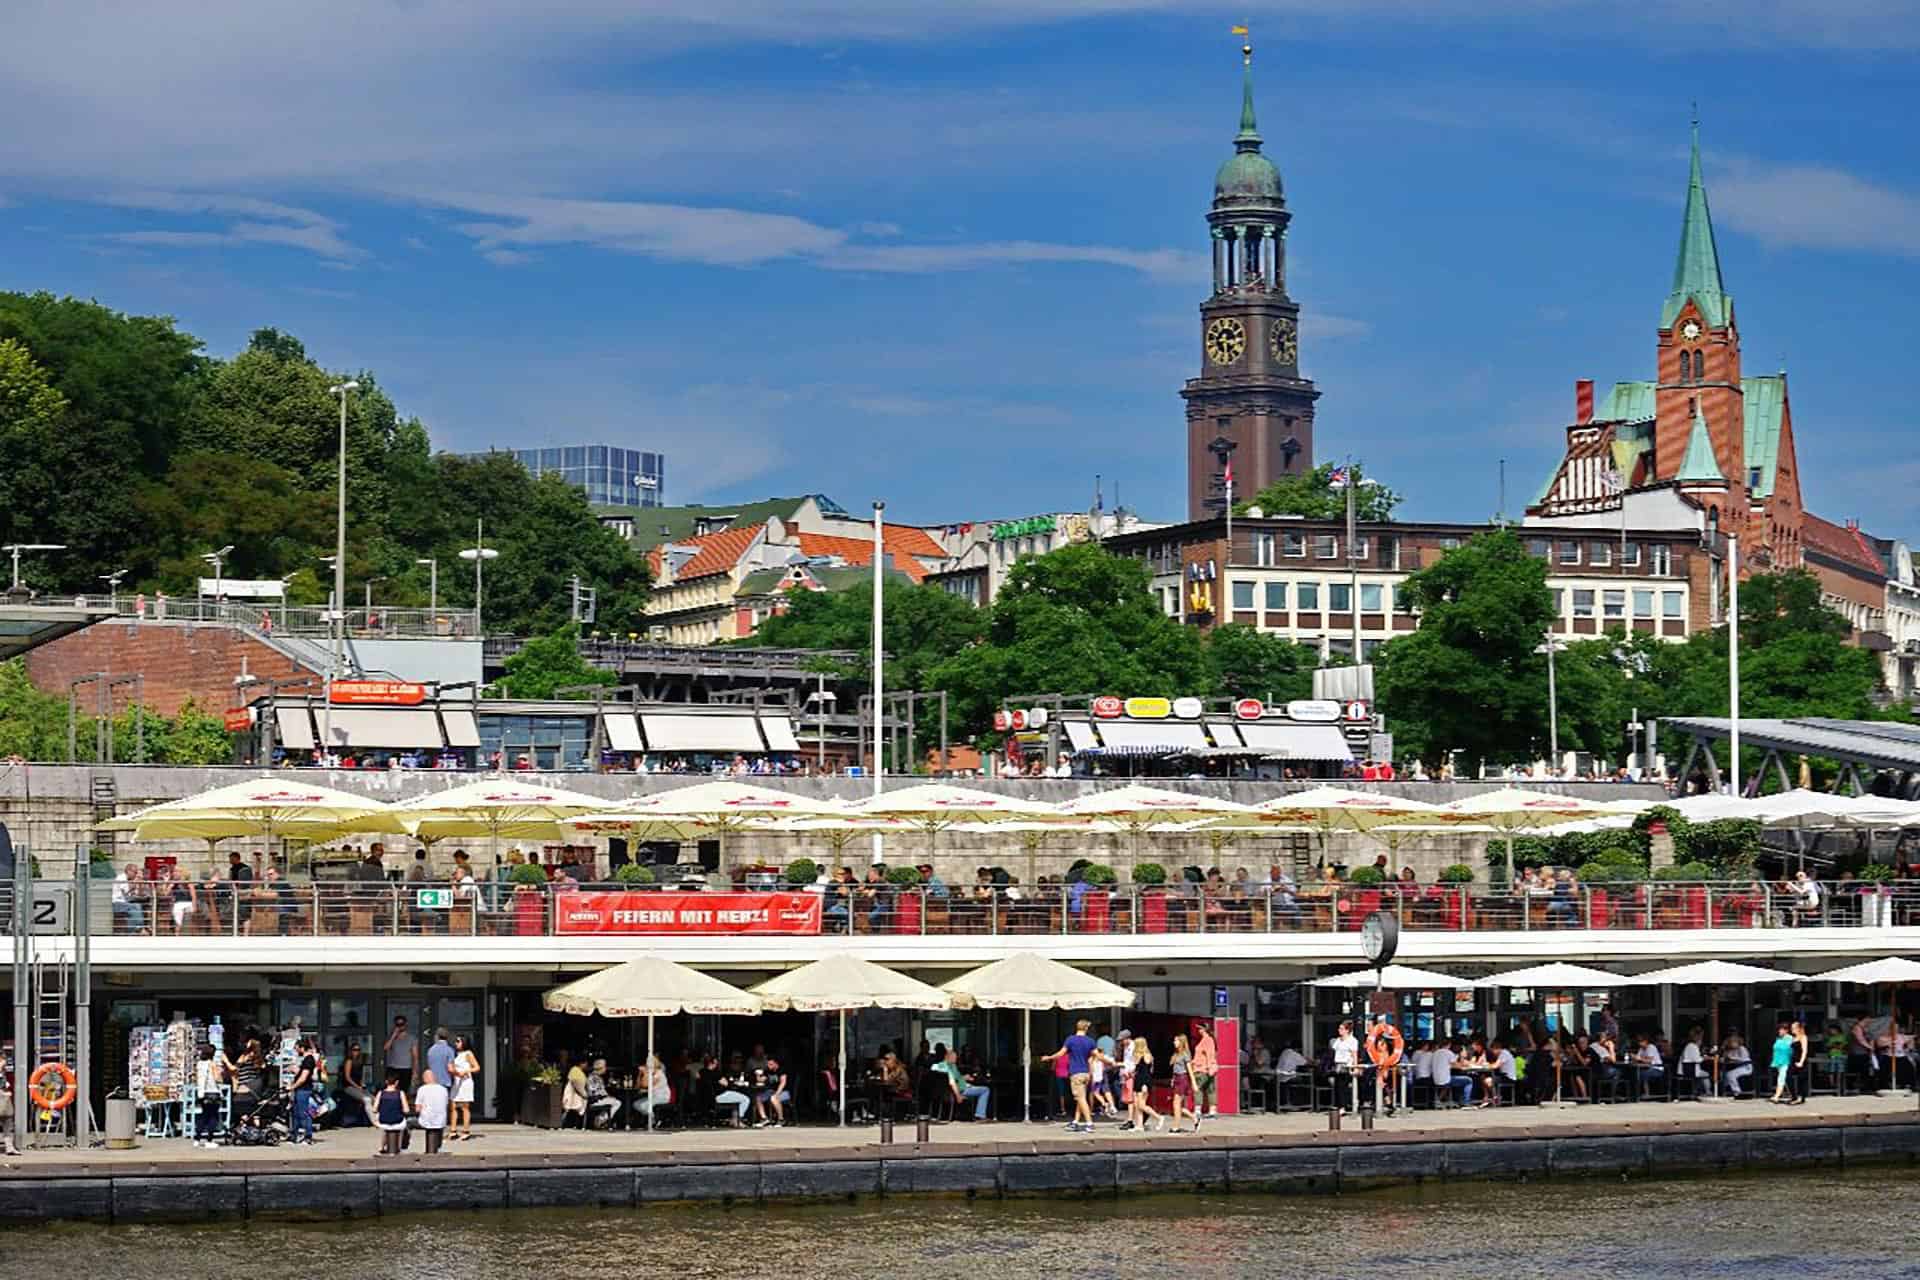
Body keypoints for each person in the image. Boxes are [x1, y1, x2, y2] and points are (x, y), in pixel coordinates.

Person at [1041, 1019, 1100, 1133]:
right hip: (1086, 1073)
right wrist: (1110, 1062)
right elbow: (1097, 1055)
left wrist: (1048, 1057)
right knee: (1081, 1098)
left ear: (1077, 1027)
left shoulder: (1071, 1040)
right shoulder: (1091, 1041)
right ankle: (1075, 1122)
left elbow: (1060, 1053)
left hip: (1076, 1073)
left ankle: (1089, 1123)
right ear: (1086, 1028)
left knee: (1080, 1098)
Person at [288, 1036, 319, 1145]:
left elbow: (303, 1078)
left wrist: (292, 1087)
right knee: (296, 1113)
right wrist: (295, 1070)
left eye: (296, 1048)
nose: (295, 1050)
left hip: (303, 1090)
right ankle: (295, 1136)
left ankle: (307, 1137)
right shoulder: (305, 1060)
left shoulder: (309, 1060)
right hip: (300, 1090)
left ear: (302, 1048)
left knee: (304, 1113)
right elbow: (301, 1074)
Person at [449, 1034, 480, 1140]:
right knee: (453, 1106)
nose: (456, 1043)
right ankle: (453, 1130)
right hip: (456, 1081)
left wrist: (466, 1071)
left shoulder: (468, 1054)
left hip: (466, 1082)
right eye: (456, 1041)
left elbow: (476, 1067)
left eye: (458, 1041)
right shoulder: (455, 1054)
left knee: (464, 1106)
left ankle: (466, 1130)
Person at [193, 1044, 224, 1148]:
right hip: (213, 1092)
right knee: (213, 1117)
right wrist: (221, 1074)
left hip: (202, 1093)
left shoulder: (200, 1064)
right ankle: (209, 1140)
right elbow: (217, 1079)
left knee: (204, 1115)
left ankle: (197, 1138)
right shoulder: (212, 1064)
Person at [415, 1068, 450, 1154]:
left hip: (426, 1120)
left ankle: (404, 1144)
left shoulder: (422, 1089)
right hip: (441, 1120)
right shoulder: (443, 1089)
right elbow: (446, 1104)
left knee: (407, 1123)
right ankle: (437, 1143)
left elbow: (417, 1109)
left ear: (425, 1078)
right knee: (437, 1124)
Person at [374, 1074, 411, 1156]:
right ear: (397, 1082)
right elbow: (406, 1110)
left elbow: (374, 1109)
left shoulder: (380, 1093)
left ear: (386, 1082)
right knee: (402, 1126)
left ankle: (382, 1147)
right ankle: (399, 1146)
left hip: (383, 1121)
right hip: (398, 1121)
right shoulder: (400, 1093)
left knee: (385, 1128)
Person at [338, 1041, 373, 1126]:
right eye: (354, 1050)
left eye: (358, 1050)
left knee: (374, 1099)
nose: (356, 1052)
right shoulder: (349, 1061)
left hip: (358, 1086)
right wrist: (357, 1087)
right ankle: (373, 1120)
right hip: (349, 1086)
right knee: (366, 1099)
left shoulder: (359, 1062)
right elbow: (347, 1077)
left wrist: (362, 1085)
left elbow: (359, 1077)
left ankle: (369, 1119)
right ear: (351, 1051)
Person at [1190, 1021, 1219, 1120]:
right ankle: (1212, 1111)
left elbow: (1210, 1055)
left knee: (1198, 1089)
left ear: (1204, 1029)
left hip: (1202, 1069)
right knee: (1210, 1090)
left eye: (1199, 1028)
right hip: (1205, 1068)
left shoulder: (1207, 1040)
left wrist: (1210, 1066)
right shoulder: (1207, 1040)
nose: (1198, 1030)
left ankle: (1198, 1111)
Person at [1330, 1020, 1361, 1111]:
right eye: (1339, 1028)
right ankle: (1339, 1105)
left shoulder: (1352, 1041)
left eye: (1341, 1029)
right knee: (1337, 1085)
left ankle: (1343, 1106)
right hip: (1338, 1064)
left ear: (1347, 1030)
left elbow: (1354, 1054)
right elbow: (1334, 1050)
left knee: (1343, 1085)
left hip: (1346, 1065)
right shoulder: (1338, 1040)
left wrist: (1355, 1067)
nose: (1339, 1030)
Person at [1168, 1033, 1195, 1133]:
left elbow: (1189, 1070)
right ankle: (1194, 1119)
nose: (1174, 1042)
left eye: (1176, 1041)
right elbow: (1174, 1069)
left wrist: (1194, 1083)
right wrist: (1172, 1079)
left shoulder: (1185, 1054)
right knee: (1177, 1105)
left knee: (1176, 1103)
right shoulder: (1176, 1054)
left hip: (1182, 1078)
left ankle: (1176, 1126)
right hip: (1176, 1078)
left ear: (1181, 1042)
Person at [383, 1015, 419, 1092]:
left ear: (405, 1024)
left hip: (406, 1068)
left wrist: (415, 1071)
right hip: (393, 1068)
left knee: (403, 1091)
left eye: (402, 1024)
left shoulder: (412, 1038)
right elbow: (386, 1048)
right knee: (391, 1090)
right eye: (398, 1025)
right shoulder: (391, 1037)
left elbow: (415, 1056)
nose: (400, 1027)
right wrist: (393, 1035)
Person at [584, 1058, 621, 1128]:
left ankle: (602, 1119)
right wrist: (607, 1096)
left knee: (614, 1100)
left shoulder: (596, 1076)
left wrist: (608, 1096)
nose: (606, 1068)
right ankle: (600, 1120)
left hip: (597, 1099)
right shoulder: (595, 1077)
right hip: (595, 1100)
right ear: (600, 1068)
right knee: (617, 1102)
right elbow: (595, 1092)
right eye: (605, 1066)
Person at [112, 864, 146, 935]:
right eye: (135, 872)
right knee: (137, 906)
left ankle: (132, 931)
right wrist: (136, 880)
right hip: (118, 903)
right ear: (129, 871)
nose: (135, 874)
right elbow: (127, 890)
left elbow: (134, 894)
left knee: (133, 912)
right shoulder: (121, 878)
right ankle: (140, 928)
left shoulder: (128, 880)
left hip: (124, 903)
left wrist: (139, 884)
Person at [1631, 1034, 1664, 1100]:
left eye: (1641, 1041)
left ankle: (1647, 1093)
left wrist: (1639, 1058)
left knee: (1643, 1074)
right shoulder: (1641, 1049)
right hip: (1647, 1068)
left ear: (1646, 1041)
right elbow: (1638, 1058)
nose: (1639, 1043)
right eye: (1638, 1041)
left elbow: (1649, 1061)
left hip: (1657, 1068)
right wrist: (1634, 1058)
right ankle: (1636, 1094)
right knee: (1634, 1073)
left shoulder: (1651, 1047)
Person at [1769, 1023, 1795, 1103]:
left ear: (1786, 1030)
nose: (1779, 1031)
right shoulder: (1778, 1039)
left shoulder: (1790, 1038)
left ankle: (1777, 1096)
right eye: (1779, 1029)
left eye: (1781, 1029)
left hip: (1785, 1061)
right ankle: (1792, 1095)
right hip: (1778, 1061)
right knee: (1784, 1079)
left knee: (1781, 1078)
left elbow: (1791, 1050)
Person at [426, 1027, 456, 1092]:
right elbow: (450, 1068)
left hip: (432, 1082)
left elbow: (429, 1065)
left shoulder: (431, 1050)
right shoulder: (449, 1050)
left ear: (437, 1036)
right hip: (445, 1082)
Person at [1789, 1020, 1811, 1104]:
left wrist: (1801, 1062)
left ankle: (1801, 1097)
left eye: (1793, 1028)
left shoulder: (1803, 1037)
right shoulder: (1793, 1038)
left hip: (1800, 1059)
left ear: (1798, 1028)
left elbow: (1804, 1050)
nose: (1792, 1029)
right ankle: (1794, 1096)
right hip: (1793, 1059)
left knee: (1801, 1079)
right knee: (1788, 1077)